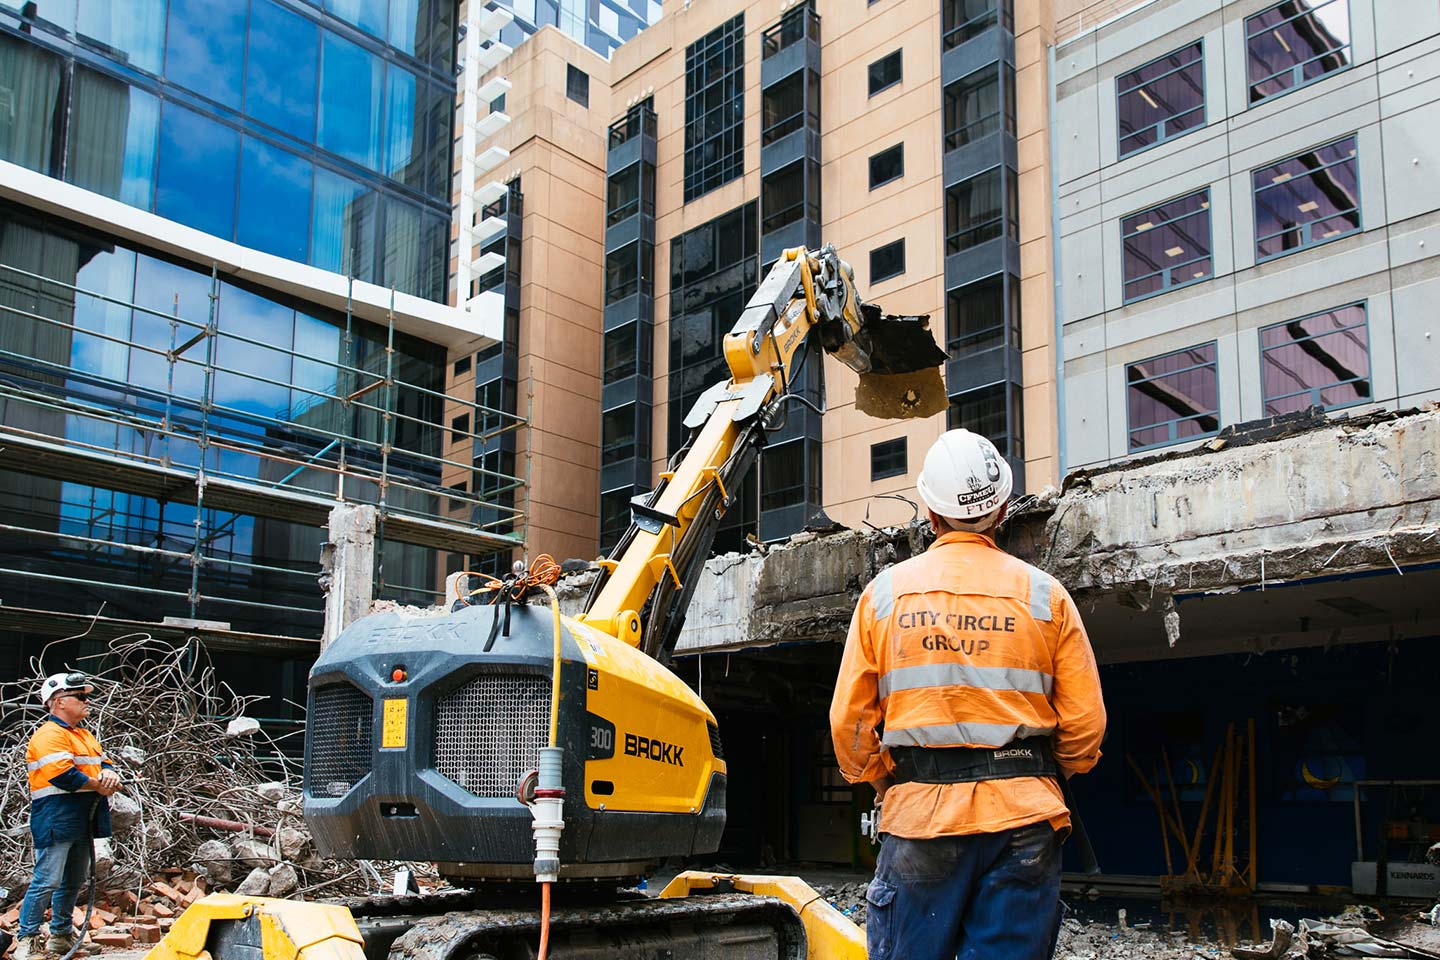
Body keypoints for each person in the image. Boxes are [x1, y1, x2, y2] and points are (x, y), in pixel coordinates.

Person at [830, 429, 1106, 960]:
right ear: (1001, 510)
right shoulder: (1046, 596)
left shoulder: (883, 597)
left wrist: (885, 785)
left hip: (920, 820)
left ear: (931, 514)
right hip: (1025, 822)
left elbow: (850, 726)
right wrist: (1038, 778)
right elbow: (1086, 727)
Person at [14, 673, 120, 960]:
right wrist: (99, 784)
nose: (87, 701)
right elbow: (63, 775)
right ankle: (27, 939)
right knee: (47, 881)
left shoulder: (83, 735)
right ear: (59, 702)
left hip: (82, 817)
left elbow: (103, 762)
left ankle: (60, 937)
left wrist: (109, 773)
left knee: (73, 881)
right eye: (80, 697)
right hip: (56, 816)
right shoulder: (49, 735)